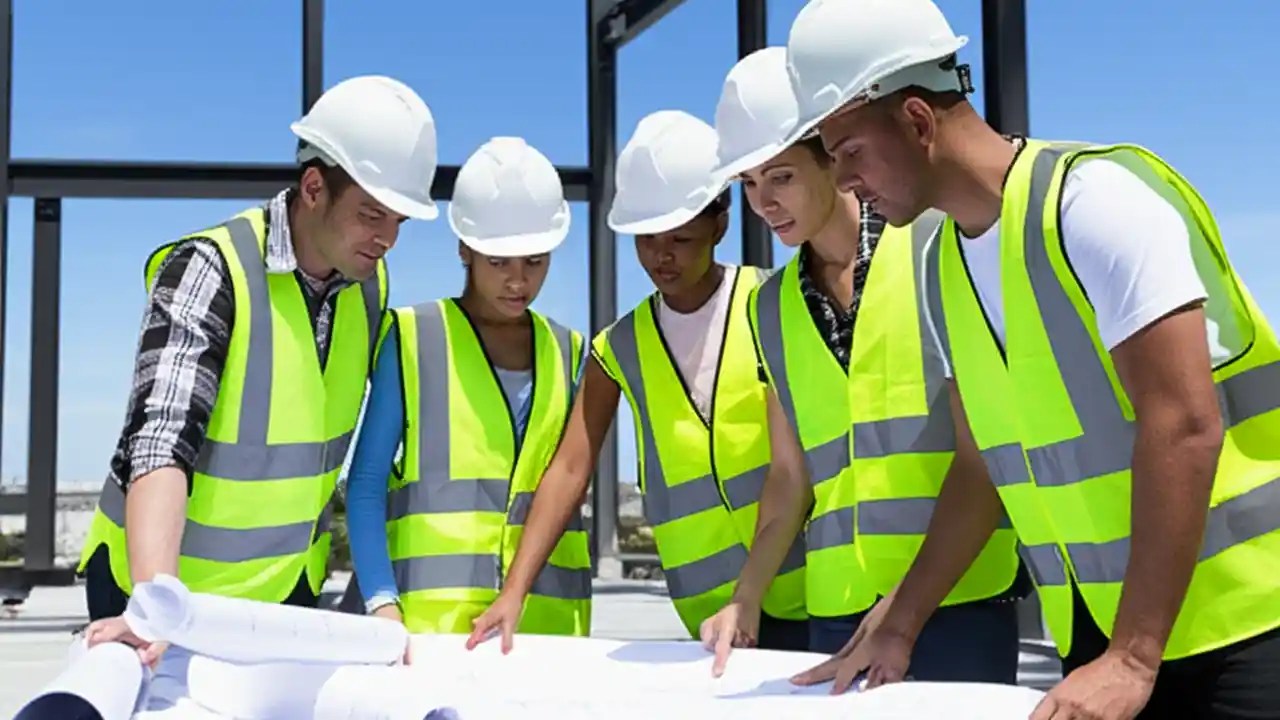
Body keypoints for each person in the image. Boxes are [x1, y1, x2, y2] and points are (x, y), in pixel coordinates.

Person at [781, 1, 1280, 717]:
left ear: (918, 121)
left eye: (849, 150)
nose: (844, 178)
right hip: (1100, 637)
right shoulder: (940, 265)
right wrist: (901, 622)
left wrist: (1134, 657)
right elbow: (981, 466)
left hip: (1241, 628)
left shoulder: (1095, 202)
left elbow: (1185, 424)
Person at [75, 74, 440, 666]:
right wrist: (154, 603)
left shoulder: (369, 287)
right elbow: (161, 439)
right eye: (374, 215)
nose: (388, 240)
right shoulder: (210, 270)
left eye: (400, 221)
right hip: (163, 592)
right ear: (314, 187)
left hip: (281, 598)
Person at [698, 45, 1026, 681]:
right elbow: (789, 478)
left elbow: (983, 448)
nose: (764, 203)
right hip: (837, 608)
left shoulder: (937, 245)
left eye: (781, 176)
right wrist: (747, 594)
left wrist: (904, 613)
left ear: (832, 153)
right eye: (749, 185)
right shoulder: (768, 308)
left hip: (959, 600)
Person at [466, 110, 809, 653]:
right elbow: (570, 469)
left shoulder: (777, 303)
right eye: (646, 240)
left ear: (719, 223)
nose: (661, 256)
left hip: (808, 595)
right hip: (703, 618)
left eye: (681, 238)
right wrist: (514, 592)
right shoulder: (618, 348)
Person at [344, 136, 592, 635]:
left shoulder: (569, 351)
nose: (517, 281)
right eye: (499, 262)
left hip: (547, 628)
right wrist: (380, 601)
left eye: (535, 261)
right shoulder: (413, 338)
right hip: (433, 628)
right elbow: (366, 484)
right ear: (465, 248)